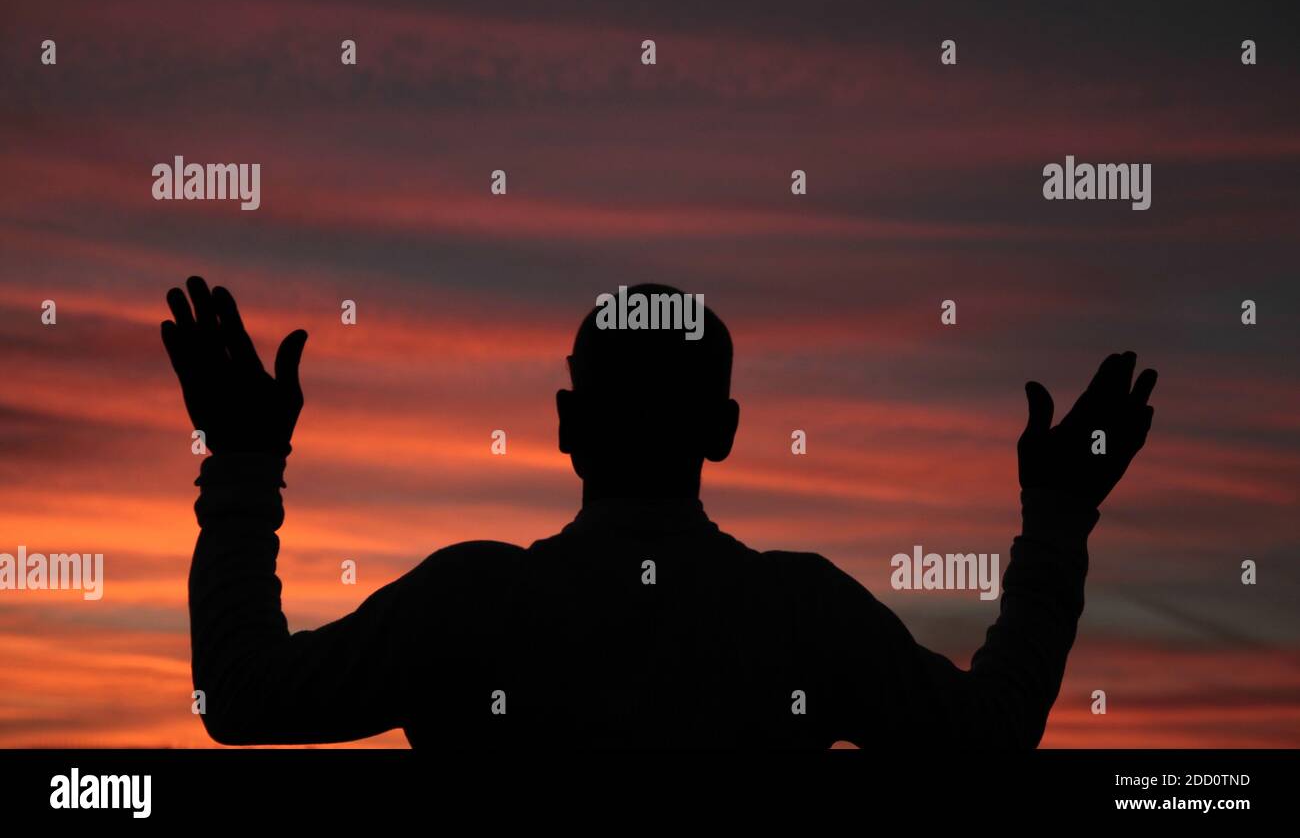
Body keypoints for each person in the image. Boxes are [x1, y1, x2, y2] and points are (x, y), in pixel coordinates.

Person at [161, 276, 1156, 748]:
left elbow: (246, 697)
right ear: (722, 429)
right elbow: (989, 735)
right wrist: (1058, 515)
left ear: (564, 423)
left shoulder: (470, 600)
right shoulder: (800, 613)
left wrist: (245, 466)